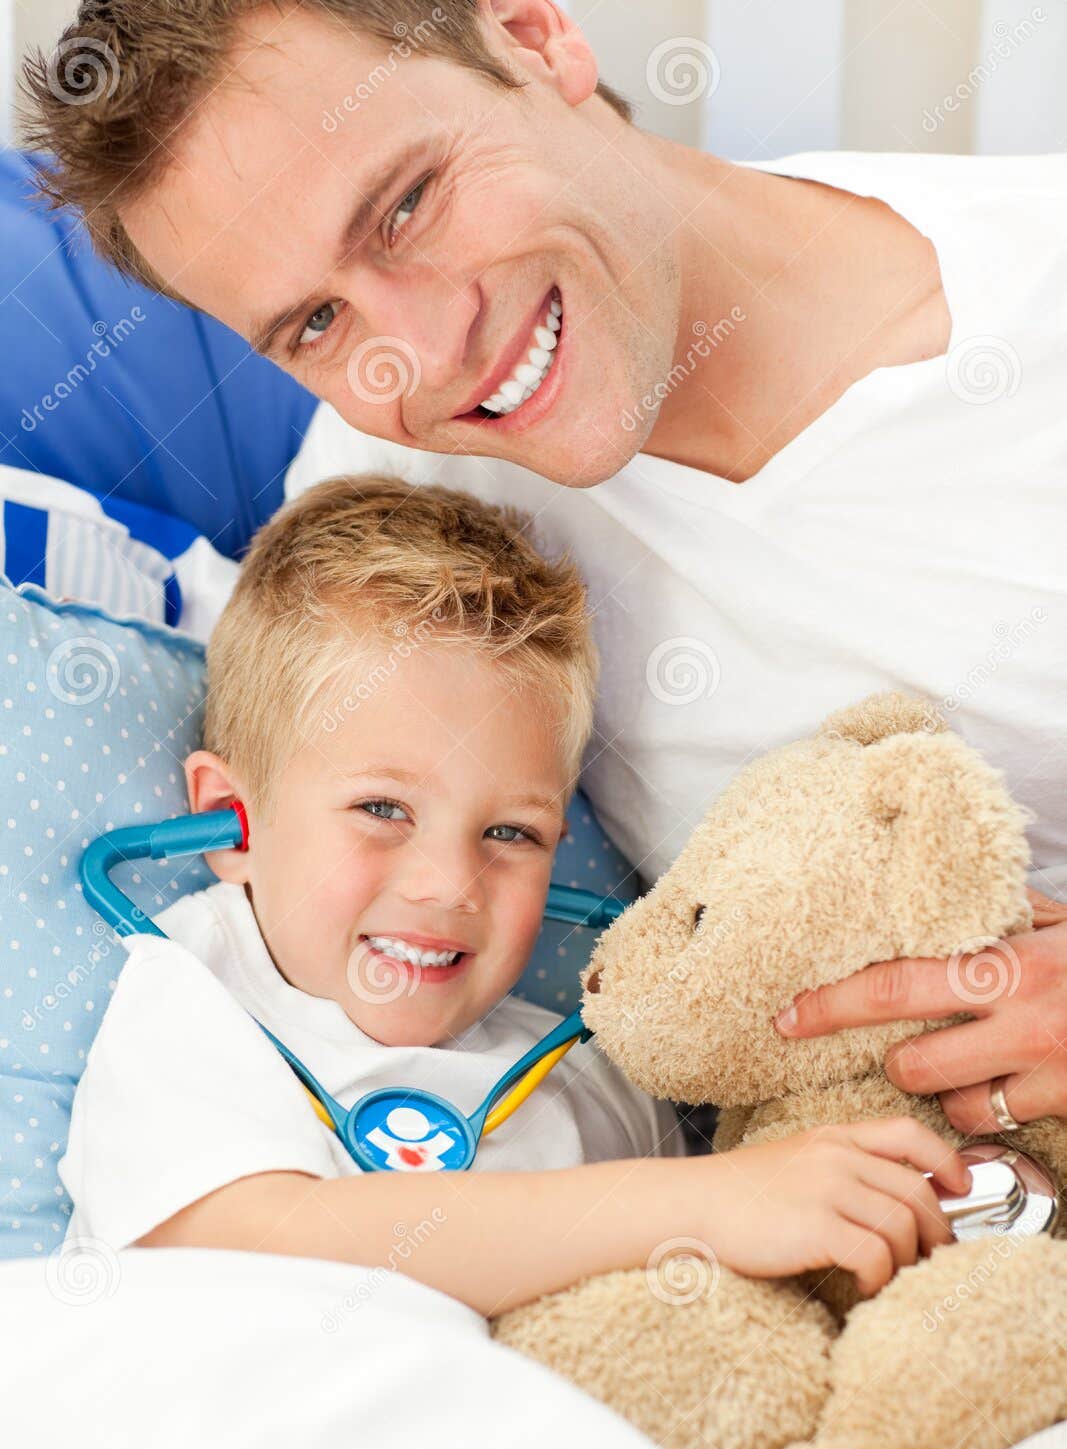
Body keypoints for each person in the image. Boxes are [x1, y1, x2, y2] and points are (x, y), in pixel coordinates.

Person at [23, 4, 1067, 1138]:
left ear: (532, 37)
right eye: (317, 322)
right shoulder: (400, 486)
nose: (423, 352)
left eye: (409, 206)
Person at [58, 473, 967, 1311]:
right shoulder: (197, 993)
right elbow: (248, 1248)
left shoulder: (588, 1076)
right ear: (232, 819)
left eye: (509, 834)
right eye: (381, 808)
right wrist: (698, 1203)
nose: (450, 884)